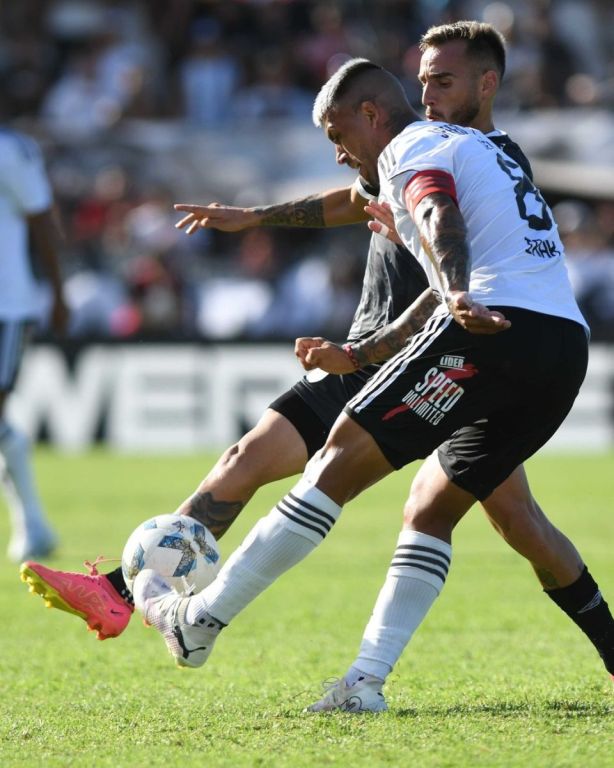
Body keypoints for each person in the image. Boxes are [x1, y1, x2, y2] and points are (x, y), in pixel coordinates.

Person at [20, 24, 614, 685]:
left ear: (488, 83)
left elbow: (448, 247)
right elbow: (354, 202)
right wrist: (257, 216)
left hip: (426, 355)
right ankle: (144, 598)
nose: (429, 93)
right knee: (489, 515)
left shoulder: (439, 154)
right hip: (441, 347)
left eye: (443, 82)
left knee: (488, 513)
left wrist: (380, 341)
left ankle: (167, 608)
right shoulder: (430, 152)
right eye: (422, 81)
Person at [0, 126, 69, 561]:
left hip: (4, 304)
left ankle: (32, 524)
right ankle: (33, 525)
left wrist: (59, 291)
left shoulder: (9, 149)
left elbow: (41, 217)